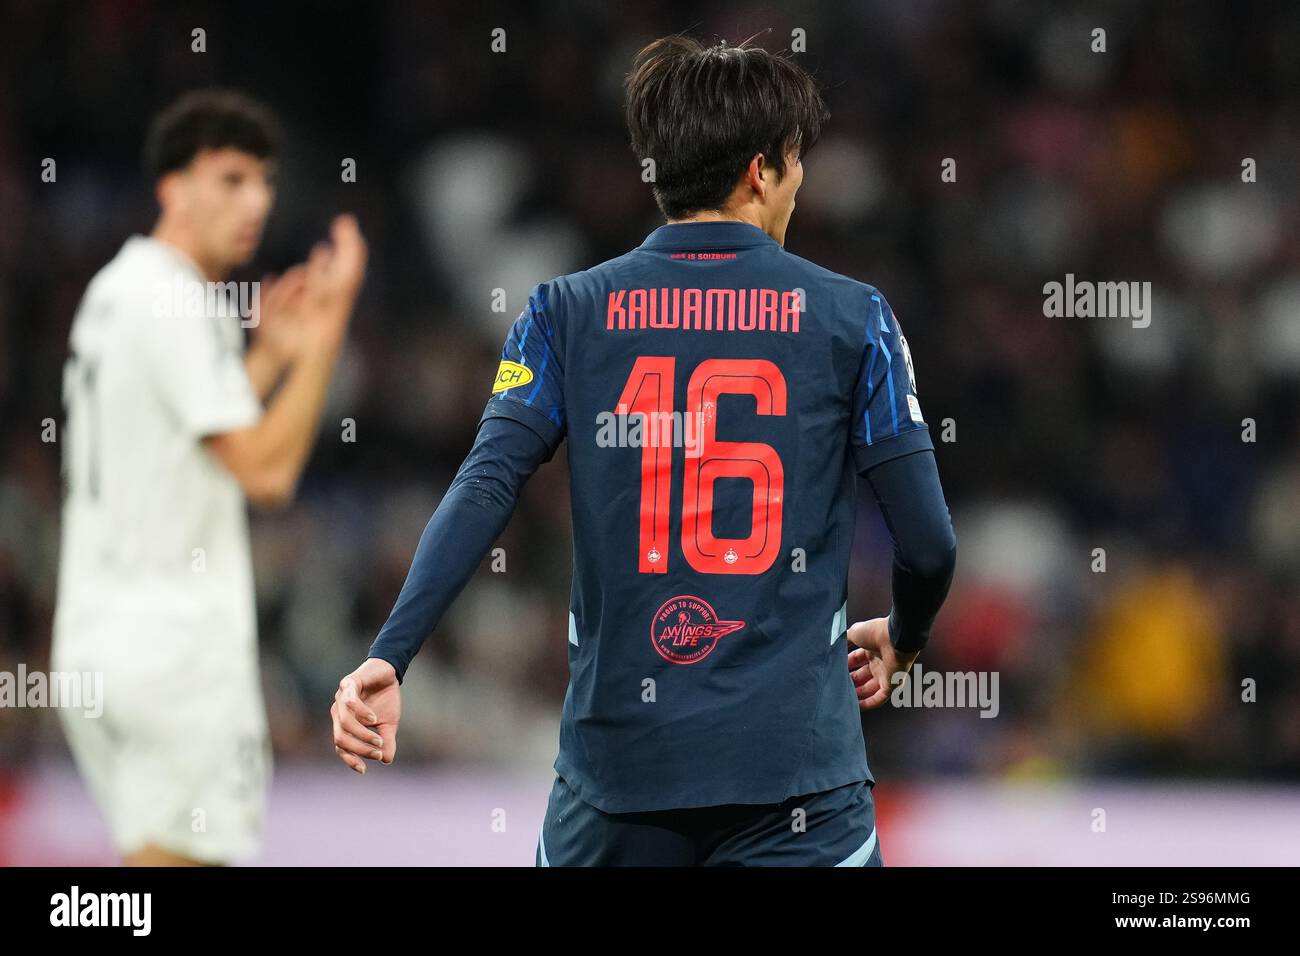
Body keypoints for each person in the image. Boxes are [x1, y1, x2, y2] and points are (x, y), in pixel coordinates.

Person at [332, 36, 955, 866]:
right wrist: (906, 638)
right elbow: (928, 544)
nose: (801, 185)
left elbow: (486, 485)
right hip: (796, 784)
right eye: (798, 161)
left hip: (616, 780)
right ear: (762, 171)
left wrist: (389, 656)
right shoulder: (854, 318)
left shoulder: (564, 311)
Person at [53, 89, 367, 866]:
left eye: (263, 181)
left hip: (96, 639)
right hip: (174, 648)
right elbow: (263, 473)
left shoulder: (116, 289)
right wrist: (325, 342)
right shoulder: (175, 299)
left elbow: (179, 439)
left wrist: (266, 360)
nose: (255, 201)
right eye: (229, 179)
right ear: (172, 185)